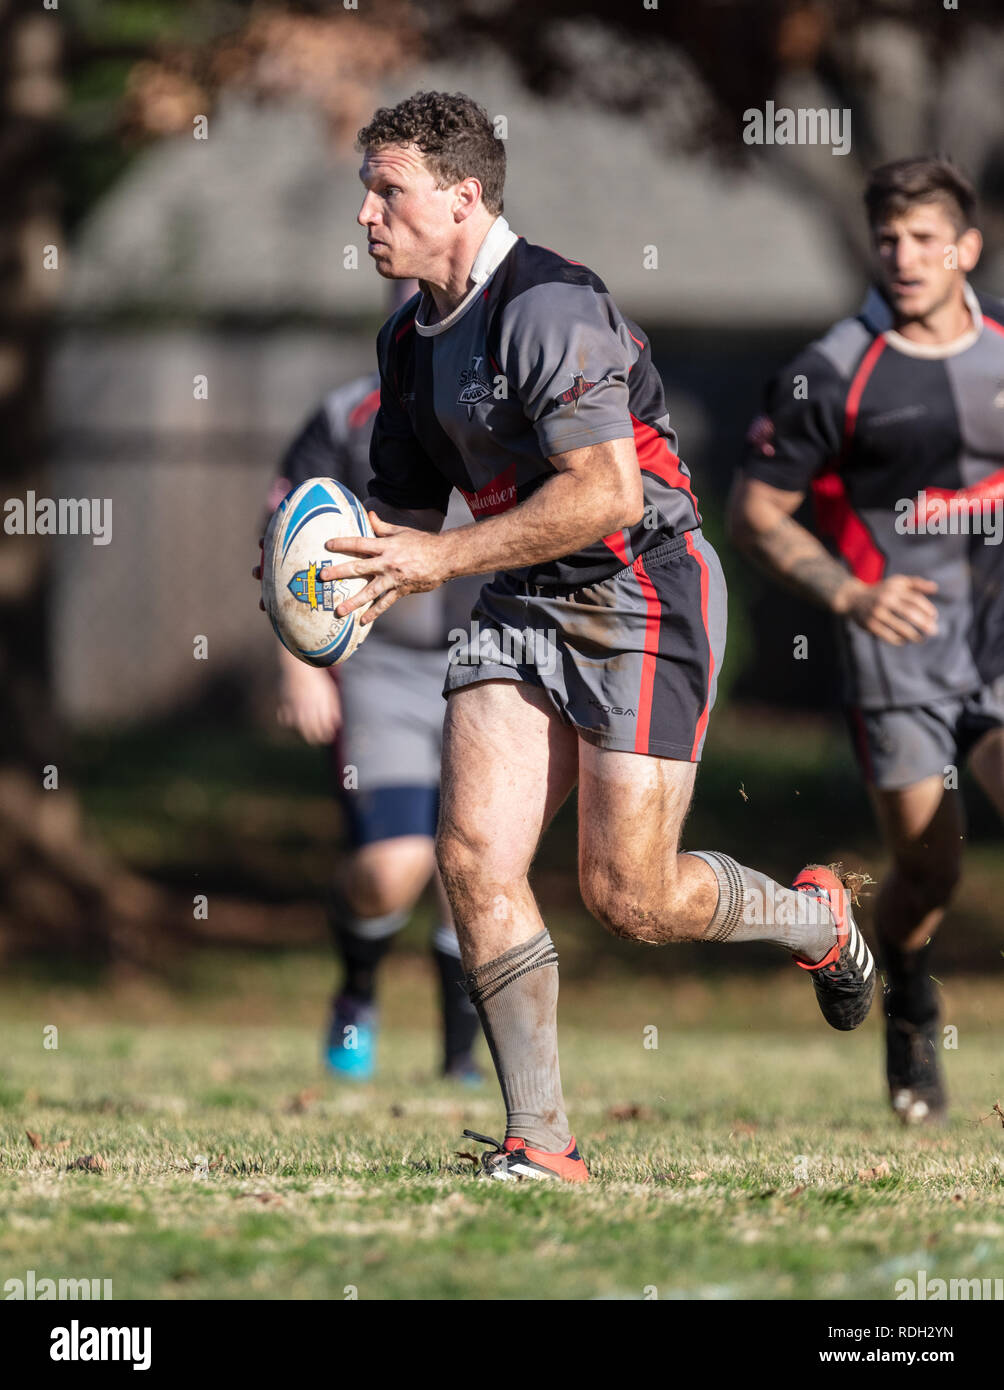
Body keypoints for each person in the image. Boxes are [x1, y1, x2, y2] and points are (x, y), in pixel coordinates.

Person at [312, 89, 874, 1183]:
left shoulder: (550, 304)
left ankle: (812, 916)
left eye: (388, 191)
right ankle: (543, 1140)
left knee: (632, 895)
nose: (366, 215)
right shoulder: (406, 340)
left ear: (462, 196)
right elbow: (409, 525)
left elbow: (607, 495)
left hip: (638, 591)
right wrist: (321, 573)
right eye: (364, 192)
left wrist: (432, 561)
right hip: (518, 602)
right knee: (472, 857)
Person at [728, 157, 1004, 1125]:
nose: (902, 257)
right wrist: (849, 591)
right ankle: (909, 1000)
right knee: (927, 870)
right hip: (898, 661)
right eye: (887, 240)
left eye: (924, 239)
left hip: (998, 643)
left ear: (964, 248)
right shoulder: (832, 370)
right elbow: (757, 511)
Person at [269, 282, 486, 1082]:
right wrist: (301, 666)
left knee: (477, 861)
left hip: (491, 656)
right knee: (395, 863)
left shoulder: (508, 405)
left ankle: (462, 1056)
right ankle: (358, 988)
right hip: (380, 669)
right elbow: (282, 550)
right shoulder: (342, 417)